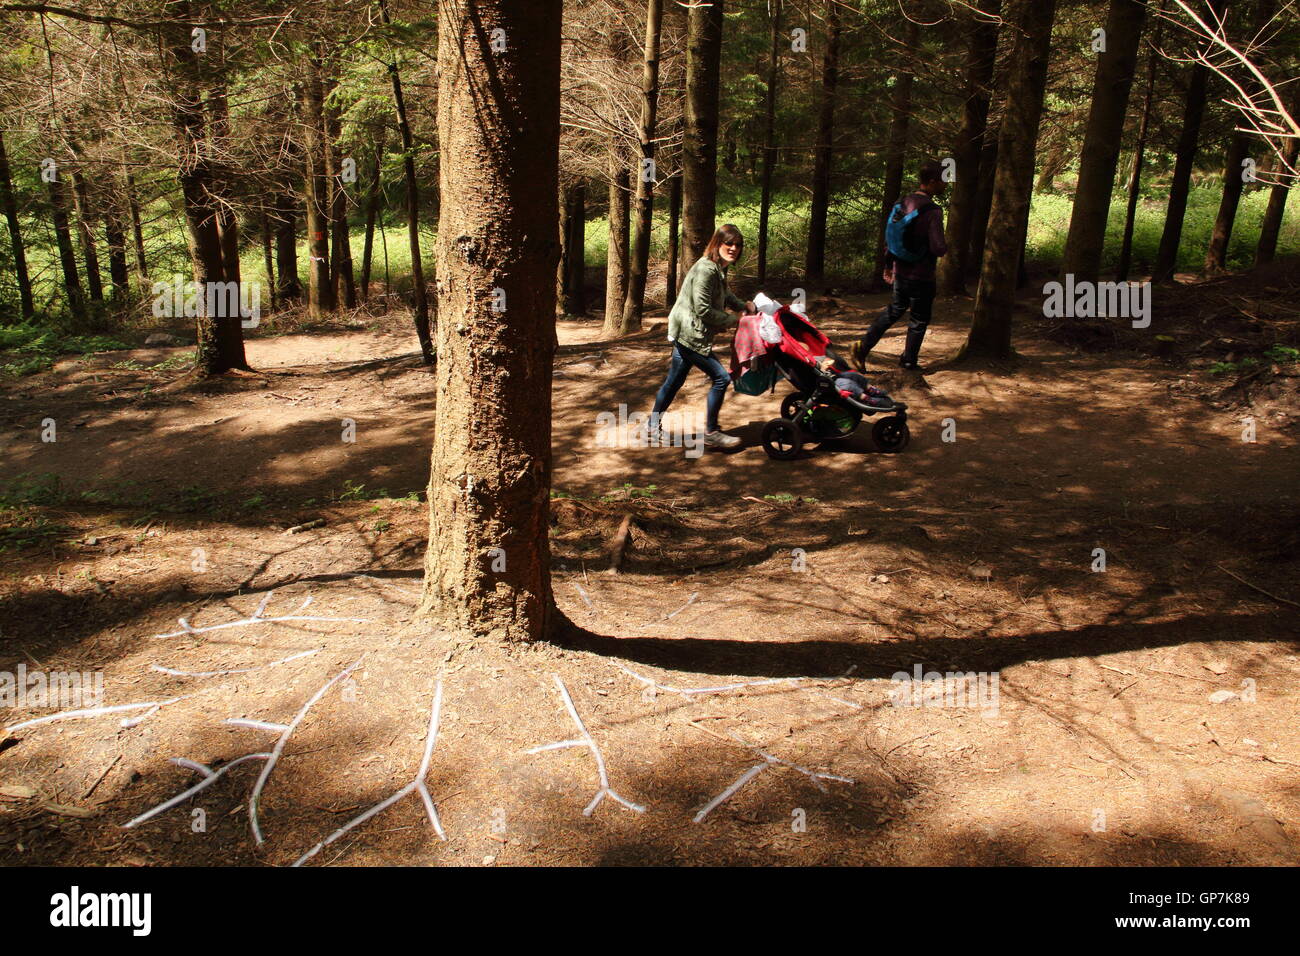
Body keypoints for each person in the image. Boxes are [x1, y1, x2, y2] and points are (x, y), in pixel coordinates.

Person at [651, 224, 755, 450]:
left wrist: (743, 305)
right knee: (721, 378)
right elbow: (702, 309)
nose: (734, 248)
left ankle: (651, 427)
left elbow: (724, 293)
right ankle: (711, 432)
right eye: (729, 243)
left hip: (686, 332)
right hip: (690, 333)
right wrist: (736, 320)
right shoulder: (706, 269)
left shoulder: (718, 268)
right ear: (717, 243)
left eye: (738, 245)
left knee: (674, 382)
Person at [851, 160, 948, 372]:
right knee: (919, 319)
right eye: (943, 181)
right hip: (922, 274)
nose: (946, 185)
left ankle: (862, 347)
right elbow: (939, 247)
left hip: (901, 270)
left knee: (894, 310)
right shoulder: (933, 211)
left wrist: (888, 265)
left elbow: (890, 237)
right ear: (932, 182)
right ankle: (908, 361)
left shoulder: (902, 203)